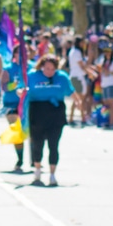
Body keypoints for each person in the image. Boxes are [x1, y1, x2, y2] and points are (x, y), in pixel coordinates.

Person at [25, 54, 75, 187]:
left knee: (54, 144)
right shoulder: (32, 75)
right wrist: (21, 92)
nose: (50, 72)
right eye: (47, 68)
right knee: (38, 143)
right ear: (42, 66)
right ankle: (37, 170)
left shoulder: (62, 77)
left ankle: (52, 174)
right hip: (37, 111)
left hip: (56, 112)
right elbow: (23, 89)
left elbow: (71, 92)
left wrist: (80, 105)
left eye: (53, 69)